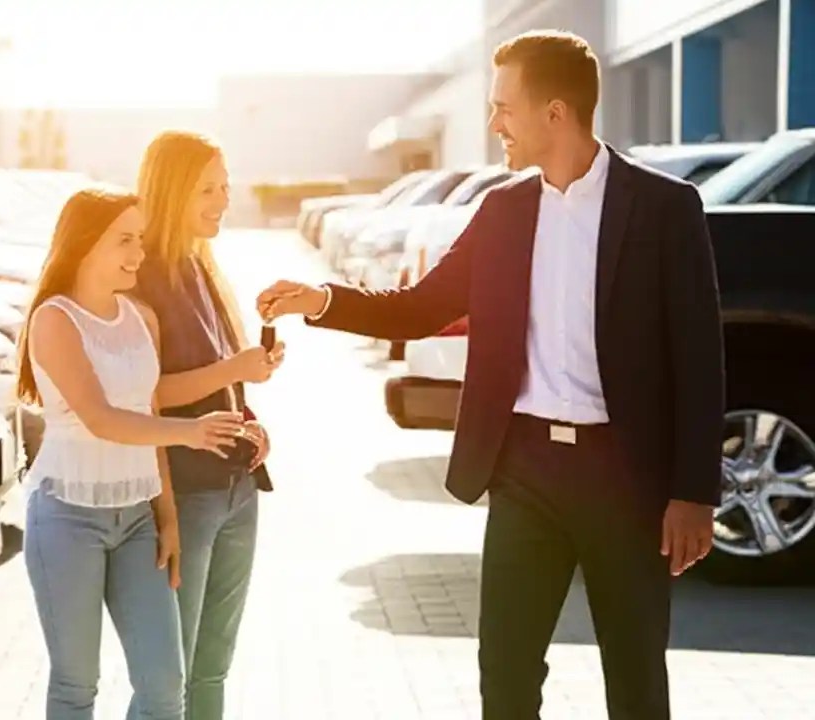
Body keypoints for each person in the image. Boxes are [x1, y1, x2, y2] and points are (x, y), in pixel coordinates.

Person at [257, 30, 724, 720]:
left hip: (626, 479)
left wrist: (694, 493)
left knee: (635, 682)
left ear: (554, 113)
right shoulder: (504, 210)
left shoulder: (664, 207)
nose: (494, 122)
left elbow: (699, 354)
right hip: (525, 472)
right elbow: (420, 308)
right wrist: (321, 302)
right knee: (503, 678)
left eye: (504, 106)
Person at [17, 187, 248, 720]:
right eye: (124, 240)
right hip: (66, 519)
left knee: (166, 688)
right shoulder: (54, 320)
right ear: (84, 244)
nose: (137, 254)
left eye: (139, 240)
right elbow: (101, 419)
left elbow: (143, 416)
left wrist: (166, 515)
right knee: (77, 686)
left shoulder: (141, 317)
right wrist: (190, 431)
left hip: (137, 524)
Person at [131, 130, 285, 720]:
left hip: (239, 491)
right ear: (171, 192)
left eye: (226, 186)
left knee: (213, 665)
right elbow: (143, 396)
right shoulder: (142, 275)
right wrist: (232, 367)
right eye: (208, 189)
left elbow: (220, 385)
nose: (223, 200)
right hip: (185, 497)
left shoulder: (204, 265)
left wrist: (251, 421)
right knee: (171, 672)